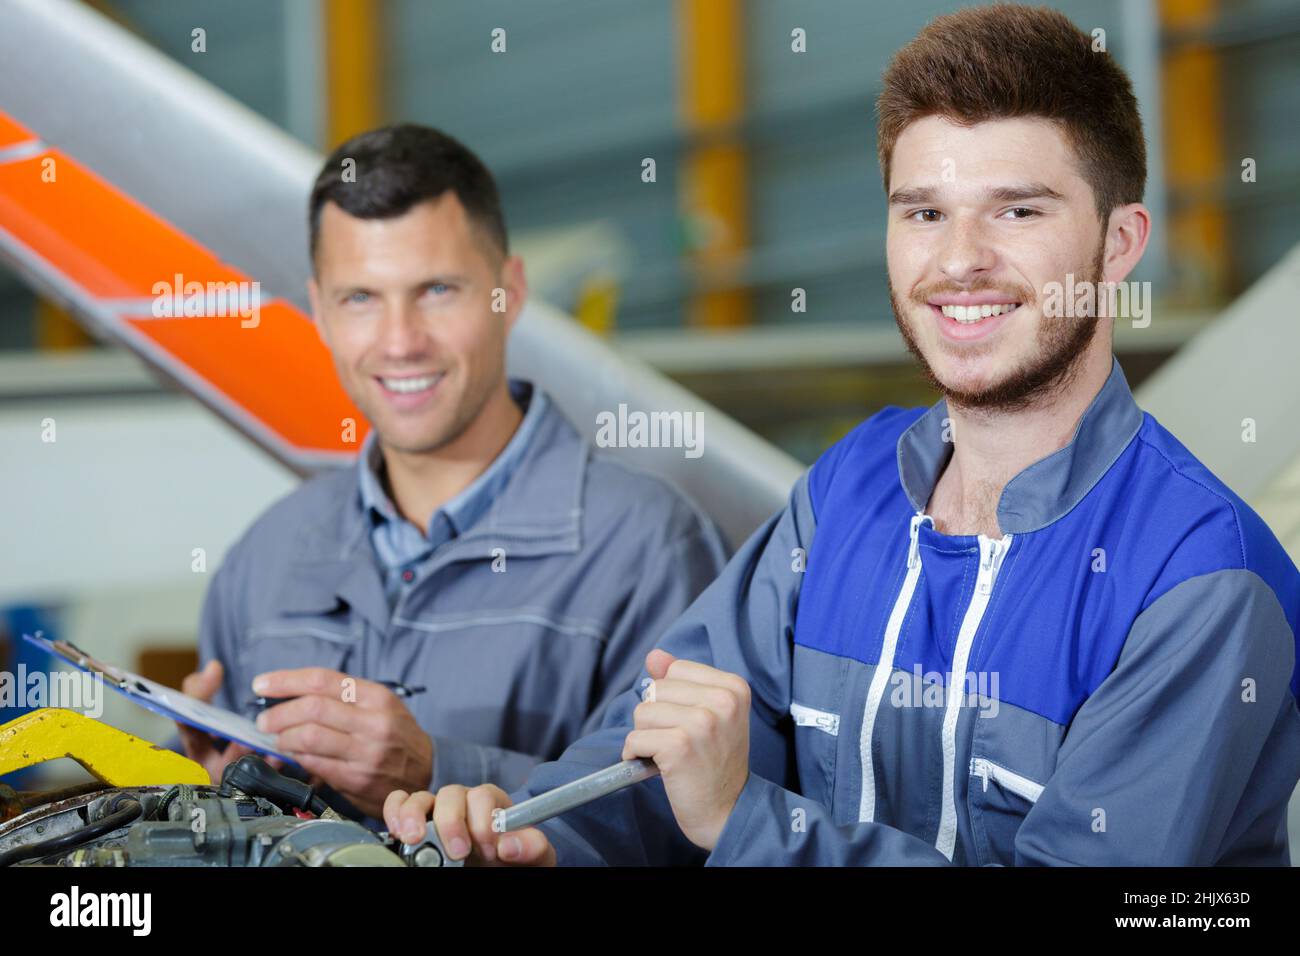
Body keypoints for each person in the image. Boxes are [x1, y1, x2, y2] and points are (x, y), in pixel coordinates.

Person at [385, 4, 1300, 866]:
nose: (958, 260)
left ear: (1121, 243)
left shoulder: (1202, 582)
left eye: (1018, 210)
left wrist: (746, 823)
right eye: (923, 212)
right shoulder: (849, 488)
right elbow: (664, 747)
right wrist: (532, 830)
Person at [175, 124, 727, 824]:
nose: (401, 342)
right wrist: (211, 788)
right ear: (319, 309)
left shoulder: (650, 548)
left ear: (510, 291)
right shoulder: (265, 558)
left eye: (436, 290)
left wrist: (442, 771)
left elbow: (682, 820)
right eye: (361, 299)